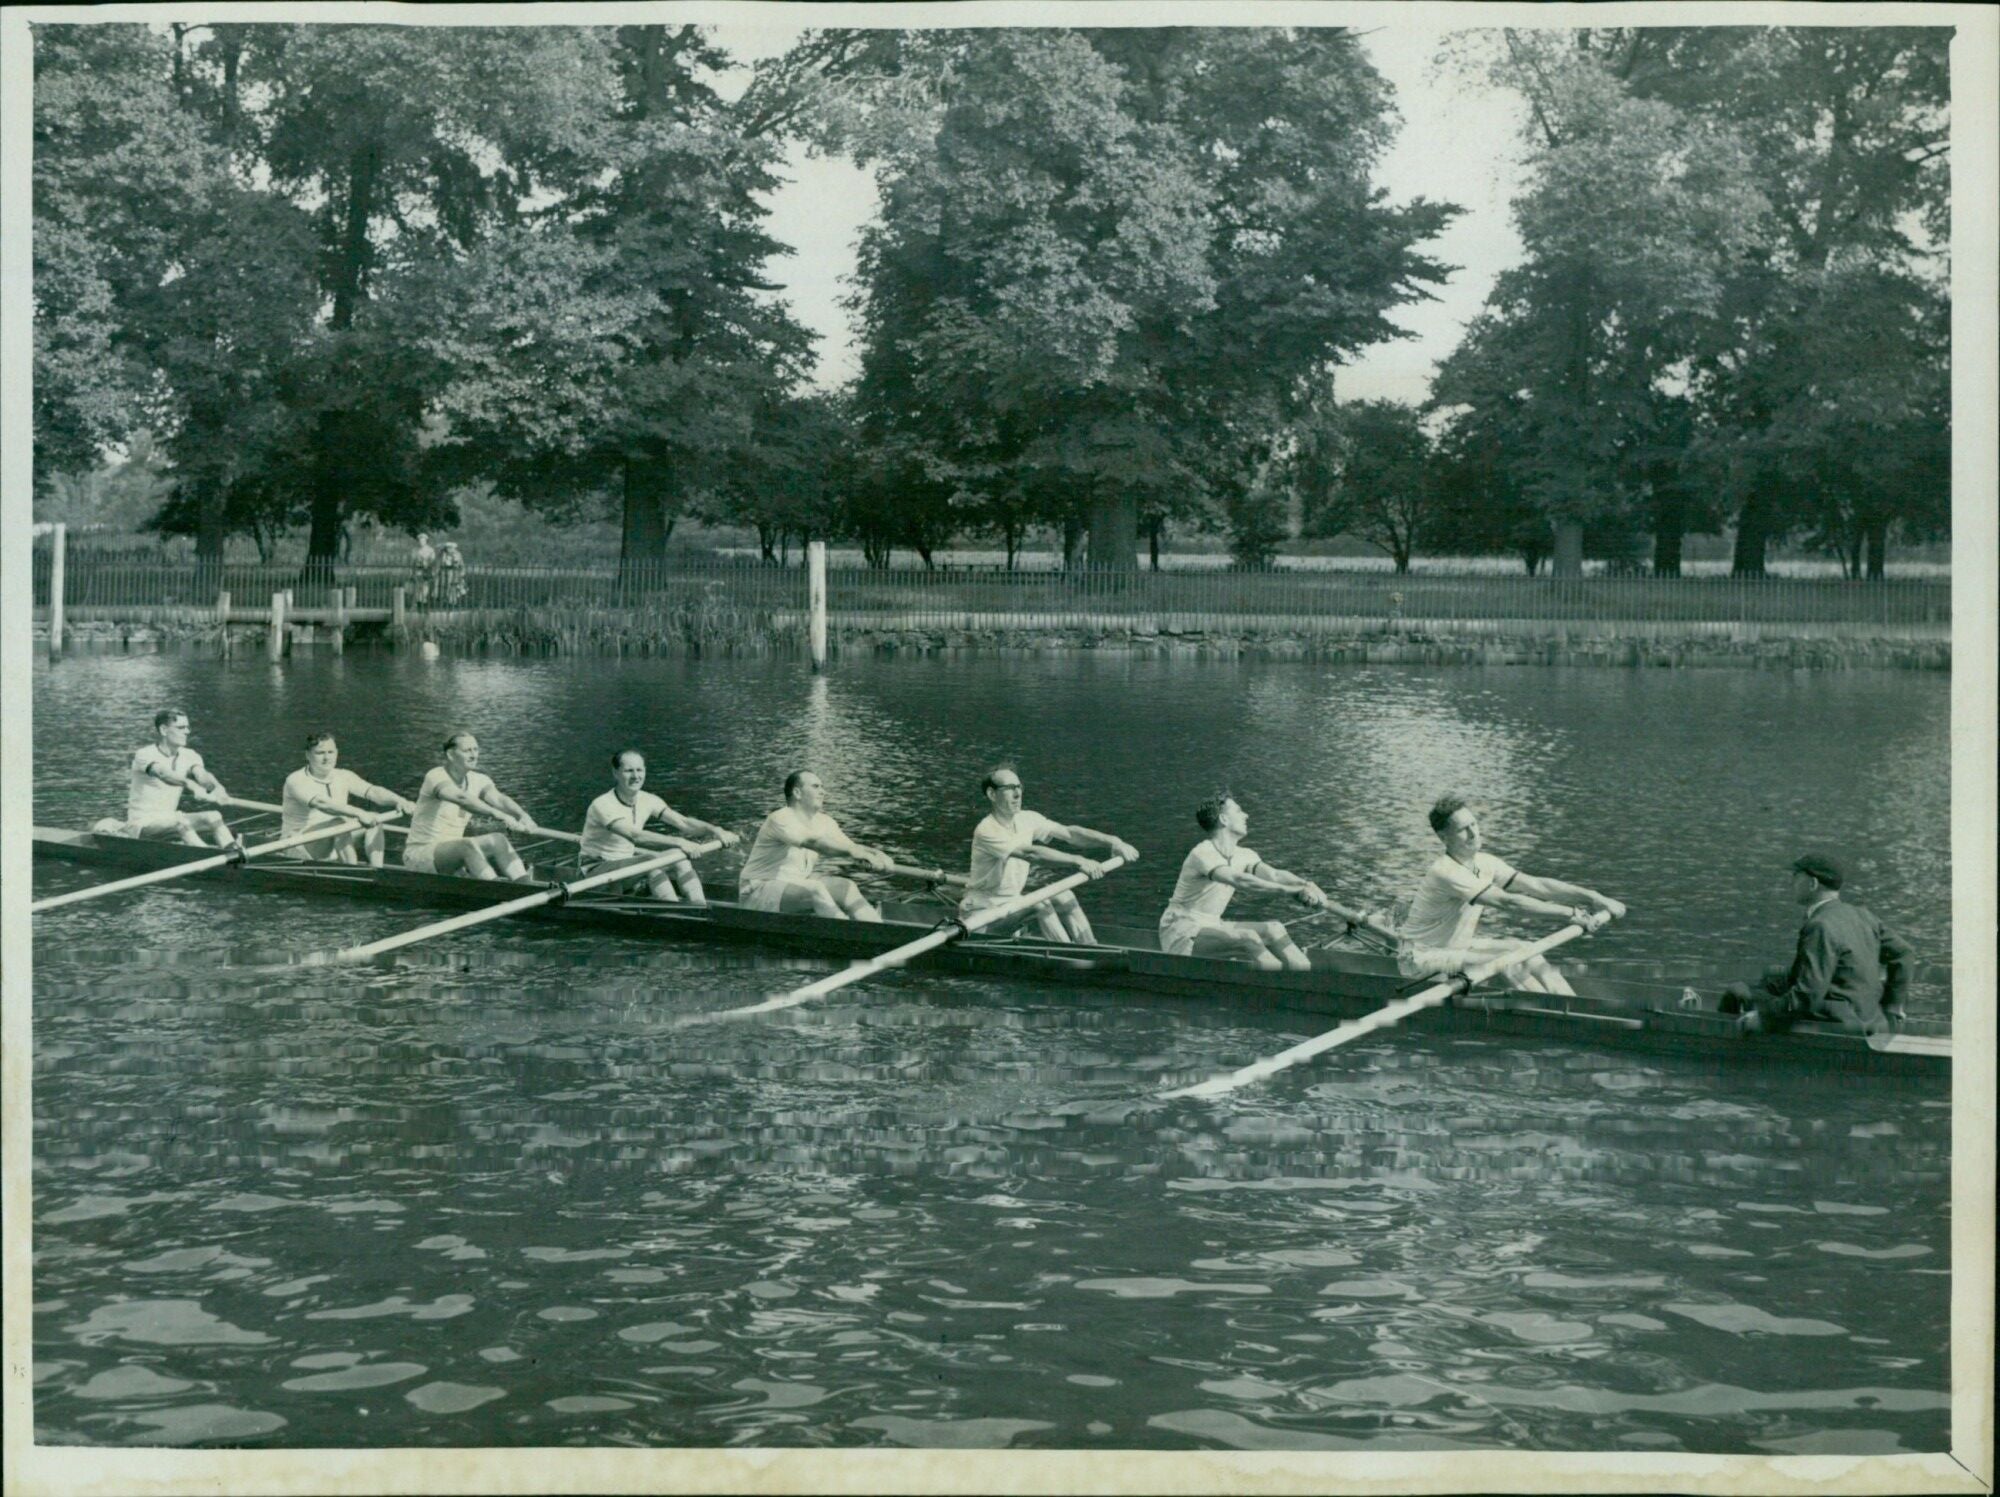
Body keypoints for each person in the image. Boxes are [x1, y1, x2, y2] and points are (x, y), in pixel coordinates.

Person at [1398, 794, 1624, 995]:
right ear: (1444, 837)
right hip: (1420, 960)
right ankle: (1547, 1015)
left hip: (1457, 949)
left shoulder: (1484, 863)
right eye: (1462, 829)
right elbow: (1509, 903)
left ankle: (1567, 1002)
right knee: (1507, 961)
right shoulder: (1446, 871)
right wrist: (1571, 913)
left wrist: (1595, 897)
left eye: (1474, 824)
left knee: (1527, 950)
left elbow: (1537, 885)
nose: (1473, 833)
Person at [1720, 853, 1912, 1034]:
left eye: (1796, 877)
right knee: (1773, 975)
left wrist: (1764, 1018)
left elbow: (1808, 994)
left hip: (1839, 1019)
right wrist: (1892, 1007)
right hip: (1868, 1013)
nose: (1791, 883)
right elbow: (1904, 954)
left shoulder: (1820, 925)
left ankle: (1727, 1048)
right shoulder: (1863, 915)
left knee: (1737, 992)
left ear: (1812, 883)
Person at [958, 764, 1138, 943]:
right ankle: (1071, 957)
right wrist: (1078, 860)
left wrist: (1113, 841)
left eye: (1019, 787)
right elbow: (1031, 854)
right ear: (992, 794)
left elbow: (1070, 834)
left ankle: (1091, 947)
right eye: (1009, 788)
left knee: (1063, 894)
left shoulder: (1027, 818)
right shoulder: (987, 829)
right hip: (980, 918)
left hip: (1010, 906)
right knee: (1039, 903)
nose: (1018, 794)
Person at [1158, 794, 1328, 970]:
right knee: (1248, 939)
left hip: (1212, 925)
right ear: (1224, 819)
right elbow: (1241, 881)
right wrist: (1294, 891)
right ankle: (1274, 992)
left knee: (1275, 929)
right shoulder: (1202, 853)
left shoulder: (1245, 855)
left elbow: (1275, 875)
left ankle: (1307, 985)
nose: (1246, 815)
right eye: (1239, 811)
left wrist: (1306, 884)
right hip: (1181, 930)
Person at [578, 750, 742, 902]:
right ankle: (677, 915)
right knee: (652, 862)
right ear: (616, 773)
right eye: (629, 771)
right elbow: (635, 835)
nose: (636, 776)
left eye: (639, 770)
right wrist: (679, 841)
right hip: (595, 874)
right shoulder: (602, 805)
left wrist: (715, 830)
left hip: (626, 869)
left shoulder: (648, 799)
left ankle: (700, 906)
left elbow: (684, 823)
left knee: (679, 857)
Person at [735, 771, 893, 920]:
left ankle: (880, 931)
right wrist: (855, 852)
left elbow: (850, 846)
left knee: (847, 886)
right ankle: (850, 933)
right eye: (816, 786)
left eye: (822, 787)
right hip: (757, 890)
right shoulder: (781, 818)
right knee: (815, 889)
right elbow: (813, 843)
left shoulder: (825, 821)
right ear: (797, 793)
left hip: (795, 885)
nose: (823, 792)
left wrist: (877, 854)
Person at [402, 731, 539, 881]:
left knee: (498, 839)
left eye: (476, 749)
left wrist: (522, 815)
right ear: (451, 755)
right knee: (466, 845)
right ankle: (495, 888)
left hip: (453, 855)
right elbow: (462, 799)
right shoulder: (435, 776)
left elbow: (500, 799)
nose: (474, 755)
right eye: (467, 751)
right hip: (420, 855)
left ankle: (524, 885)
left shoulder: (479, 779)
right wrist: (499, 815)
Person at [279, 732, 418, 866]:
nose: (326, 758)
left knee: (375, 818)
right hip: (299, 845)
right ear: (308, 755)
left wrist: (400, 801)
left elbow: (373, 791)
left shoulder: (344, 775)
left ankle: (377, 871)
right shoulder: (296, 780)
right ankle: (352, 871)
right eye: (320, 753)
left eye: (330, 752)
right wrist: (359, 813)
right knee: (339, 823)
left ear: (337, 753)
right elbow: (322, 804)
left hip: (335, 836)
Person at [111, 709, 241, 848]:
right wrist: (191, 785)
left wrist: (217, 788)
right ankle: (207, 854)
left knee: (214, 816)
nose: (187, 732)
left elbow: (202, 775)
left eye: (187, 727)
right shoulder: (144, 754)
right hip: (142, 824)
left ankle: (234, 852)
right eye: (181, 727)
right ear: (164, 730)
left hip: (171, 818)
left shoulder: (190, 755)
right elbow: (163, 774)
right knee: (181, 823)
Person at [435, 541, 467, 607]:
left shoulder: (458, 554)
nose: (449, 549)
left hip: (454, 573)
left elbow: (461, 564)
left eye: (451, 548)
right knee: (443, 587)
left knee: (453, 587)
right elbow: (438, 563)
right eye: (448, 548)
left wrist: (462, 573)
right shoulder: (442, 554)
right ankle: (443, 601)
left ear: (454, 548)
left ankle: (452, 602)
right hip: (443, 572)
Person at [411, 532, 437, 607]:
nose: (421, 542)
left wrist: (427, 563)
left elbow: (433, 560)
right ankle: (416, 602)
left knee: (425, 586)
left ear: (426, 541)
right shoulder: (415, 550)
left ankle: (423, 600)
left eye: (423, 540)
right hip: (417, 570)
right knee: (417, 586)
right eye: (419, 540)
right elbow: (412, 561)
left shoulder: (430, 550)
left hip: (427, 570)